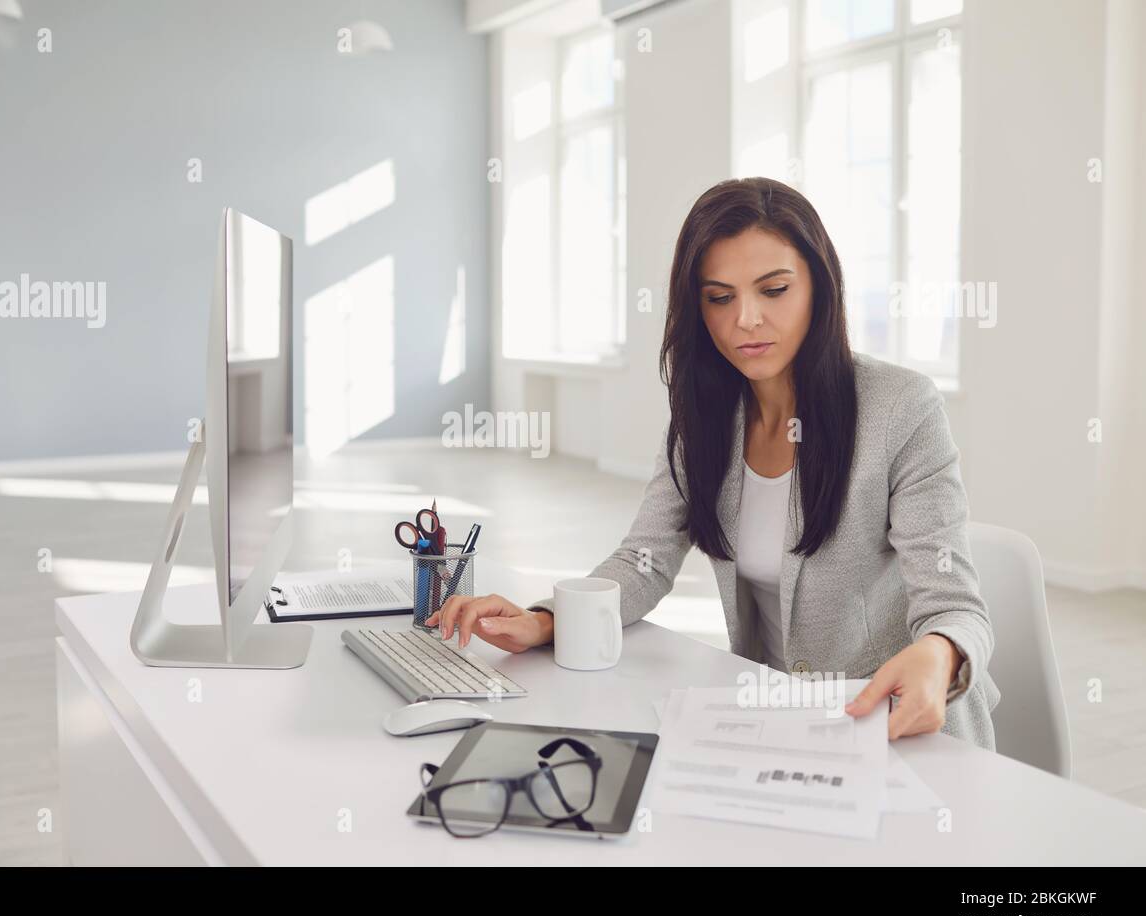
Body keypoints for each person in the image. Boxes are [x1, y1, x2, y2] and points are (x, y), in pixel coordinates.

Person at [427, 177, 1000, 748]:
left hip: (900, 729)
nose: (745, 318)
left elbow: (955, 606)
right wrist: (548, 619)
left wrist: (938, 653)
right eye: (720, 297)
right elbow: (644, 561)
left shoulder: (900, 408)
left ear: (820, 290)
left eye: (774, 289)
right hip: (775, 727)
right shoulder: (704, 419)